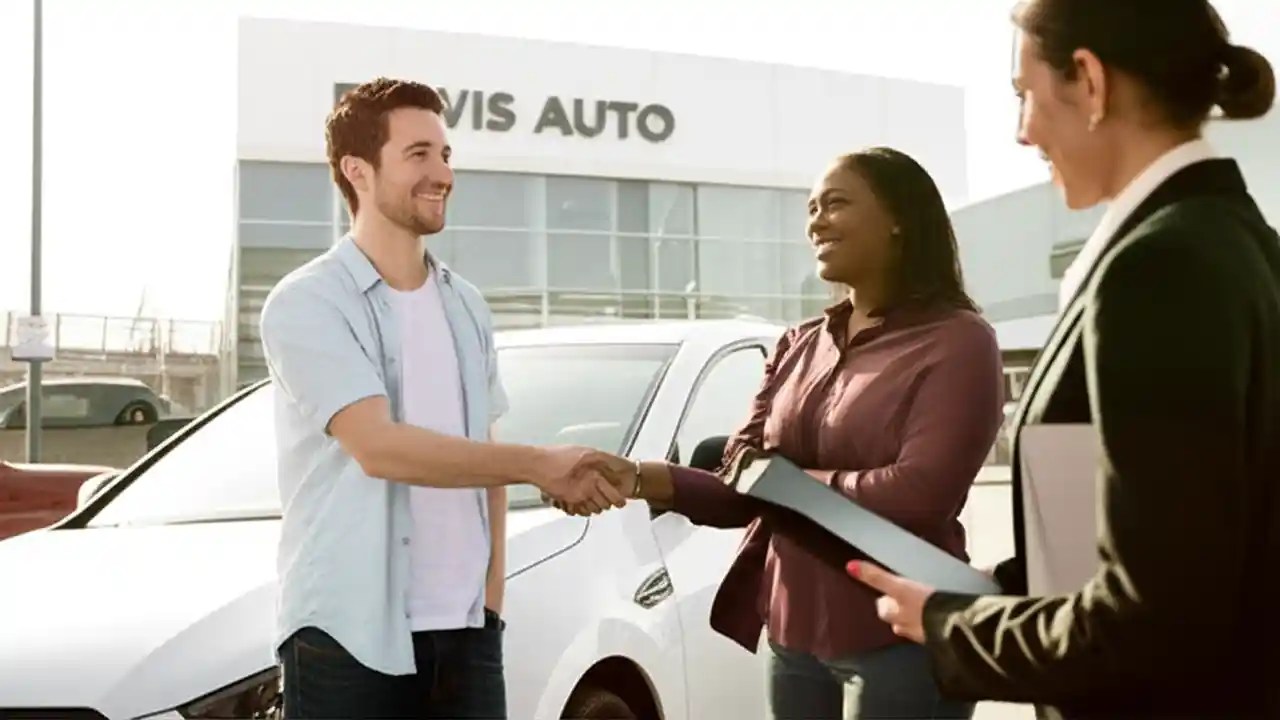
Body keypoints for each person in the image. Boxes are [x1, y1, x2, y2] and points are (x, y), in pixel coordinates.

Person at [847, 1, 1280, 718]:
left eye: (1024, 94)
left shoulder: (1159, 270)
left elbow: (1155, 618)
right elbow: (1186, 535)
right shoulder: (1242, 246)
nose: (1022, 132)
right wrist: (1002, 583)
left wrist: (949, 625)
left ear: (1088, 80)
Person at [559, 147, 1005, 720]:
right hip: (792, 641)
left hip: (903, 638)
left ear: (899, 218)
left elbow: (920, 496)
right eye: (811, 207)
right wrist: (637, 476)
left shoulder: (959, 341)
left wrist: (783, 483)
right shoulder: (799, 343)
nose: (816, 220)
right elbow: (738, 483)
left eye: (836, 203)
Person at [258, 77, 623, 720]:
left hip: (467, 635)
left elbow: (485, 456)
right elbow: (379, 448)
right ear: (357, 171)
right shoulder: (308, 302)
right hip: (348, 638)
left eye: (446, 154)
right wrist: (540, 462)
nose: (443, 173)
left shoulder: (466, 305)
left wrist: (490, 604)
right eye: (419, 154)